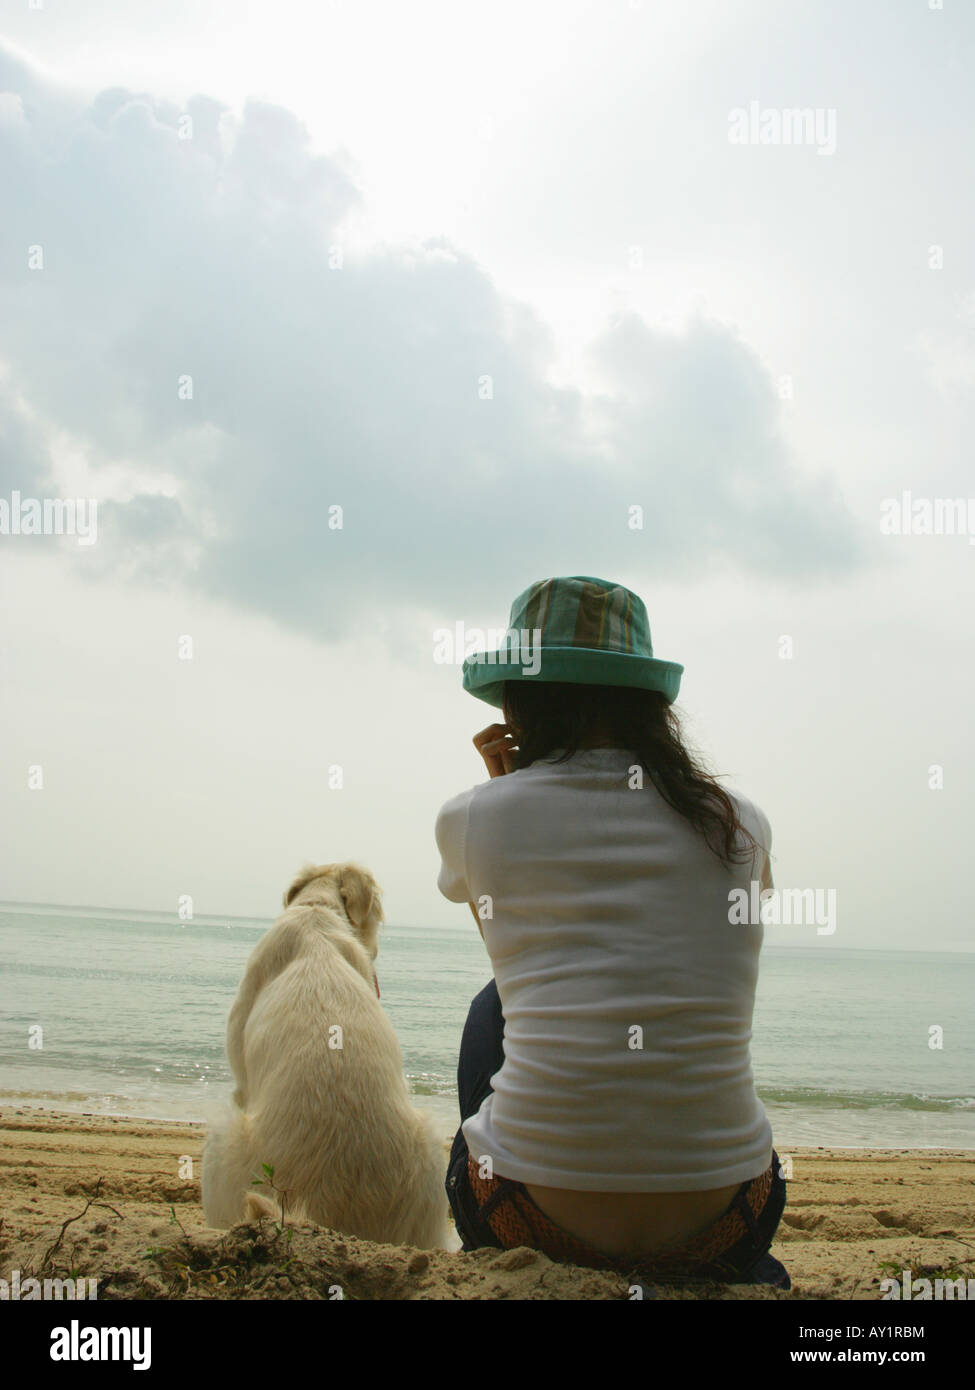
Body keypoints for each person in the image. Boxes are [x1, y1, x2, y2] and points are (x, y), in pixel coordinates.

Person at [435, 575, 789, 1287]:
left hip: (526, 1212)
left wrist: (505, 789)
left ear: (518, 699)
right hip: (730, 1216)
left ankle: (497, 1264)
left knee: (490, 1005)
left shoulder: (473, 818)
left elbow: (515, 968)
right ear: (649, 706)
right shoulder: (739, 819)